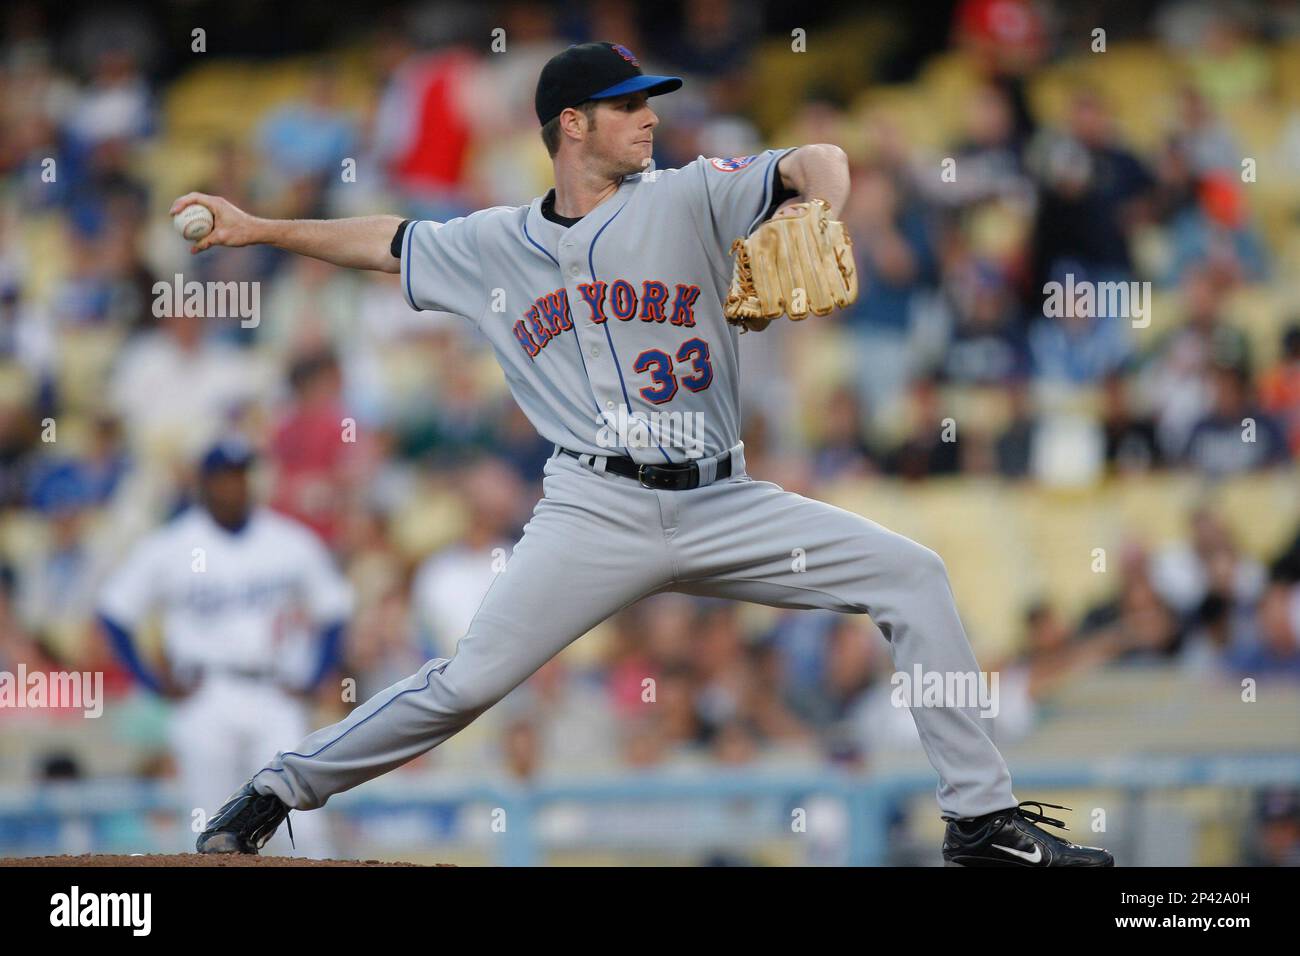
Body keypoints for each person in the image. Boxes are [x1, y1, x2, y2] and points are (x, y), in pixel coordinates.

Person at [176, 42, 1111, 867]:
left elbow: (821, 160)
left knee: (913, 575)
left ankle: (980, 823)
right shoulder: (496, 243)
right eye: (629, 104)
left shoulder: (693, 193)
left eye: (649, 100)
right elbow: (389, 240)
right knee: (464, 683)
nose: (650, 116)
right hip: (594, 512)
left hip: (724, 500)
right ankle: (275, 792)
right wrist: (256, 229)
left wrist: (810, 213)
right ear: (572, 125)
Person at [97, 437, 353, 856]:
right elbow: (113, 612)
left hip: (275, 690)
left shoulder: (288, 540)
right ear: (204, 483)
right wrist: (152, 681)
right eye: (223, 478)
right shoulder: (171, 544)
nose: (232, 487)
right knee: (208, 822)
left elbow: (334, 609)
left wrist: (314, 677)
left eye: (239, 476)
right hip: (206, 693)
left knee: (303, 826)